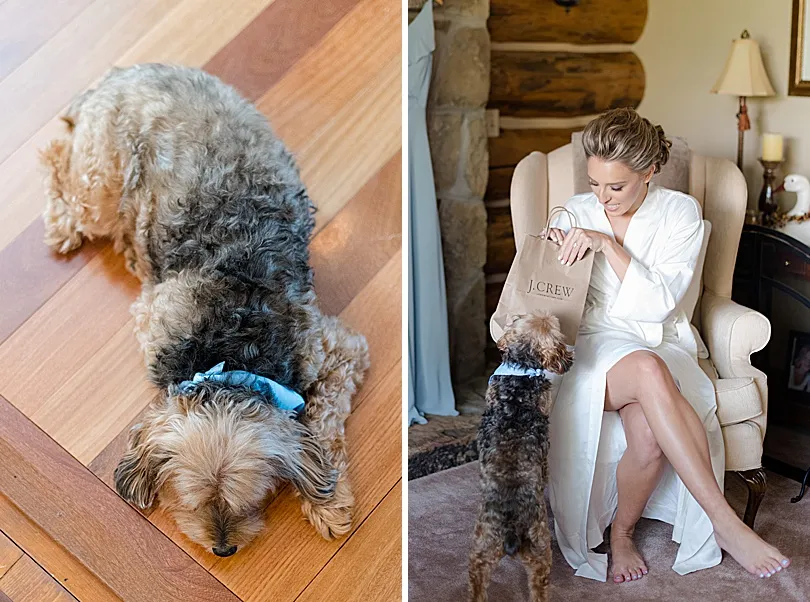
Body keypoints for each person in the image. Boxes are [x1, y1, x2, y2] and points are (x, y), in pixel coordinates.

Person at [533, 108, 790, 583]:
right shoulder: (574, 212)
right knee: (648, 372)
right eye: (594, 184)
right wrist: (554, 253)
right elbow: (549, 295)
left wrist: (607, 246)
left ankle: (623, 535)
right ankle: (725, 523)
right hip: (595, 346)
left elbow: (658, 305)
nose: (603, 198)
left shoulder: (681, 212)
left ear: (649, 171)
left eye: (616, 187)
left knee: (648, 433)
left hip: (662, 339)